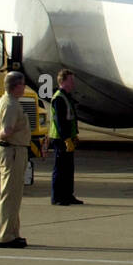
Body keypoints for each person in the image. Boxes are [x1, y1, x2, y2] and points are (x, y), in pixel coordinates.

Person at [0, 71, 32, 247]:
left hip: (11, 151)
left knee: (14, 195)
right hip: (12, 152)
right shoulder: (11, 105)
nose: (24, 87)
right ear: (16, 86)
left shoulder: (5, 101)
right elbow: (7, 130)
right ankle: (6, 236)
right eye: (23, 84)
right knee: (10, 195)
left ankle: (13, 232)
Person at [49, 68, 83, 206]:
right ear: (63, 82)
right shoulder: (59, 98)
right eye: (71, 80)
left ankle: (68, 195)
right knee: (60, 169)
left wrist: (74, 136)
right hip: (60, 139)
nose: (73, 83)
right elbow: (60, 121)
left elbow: (71, 119)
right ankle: (57, 197)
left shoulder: (67, 97)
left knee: (68, 169)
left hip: (68, 137)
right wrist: (66, 138)